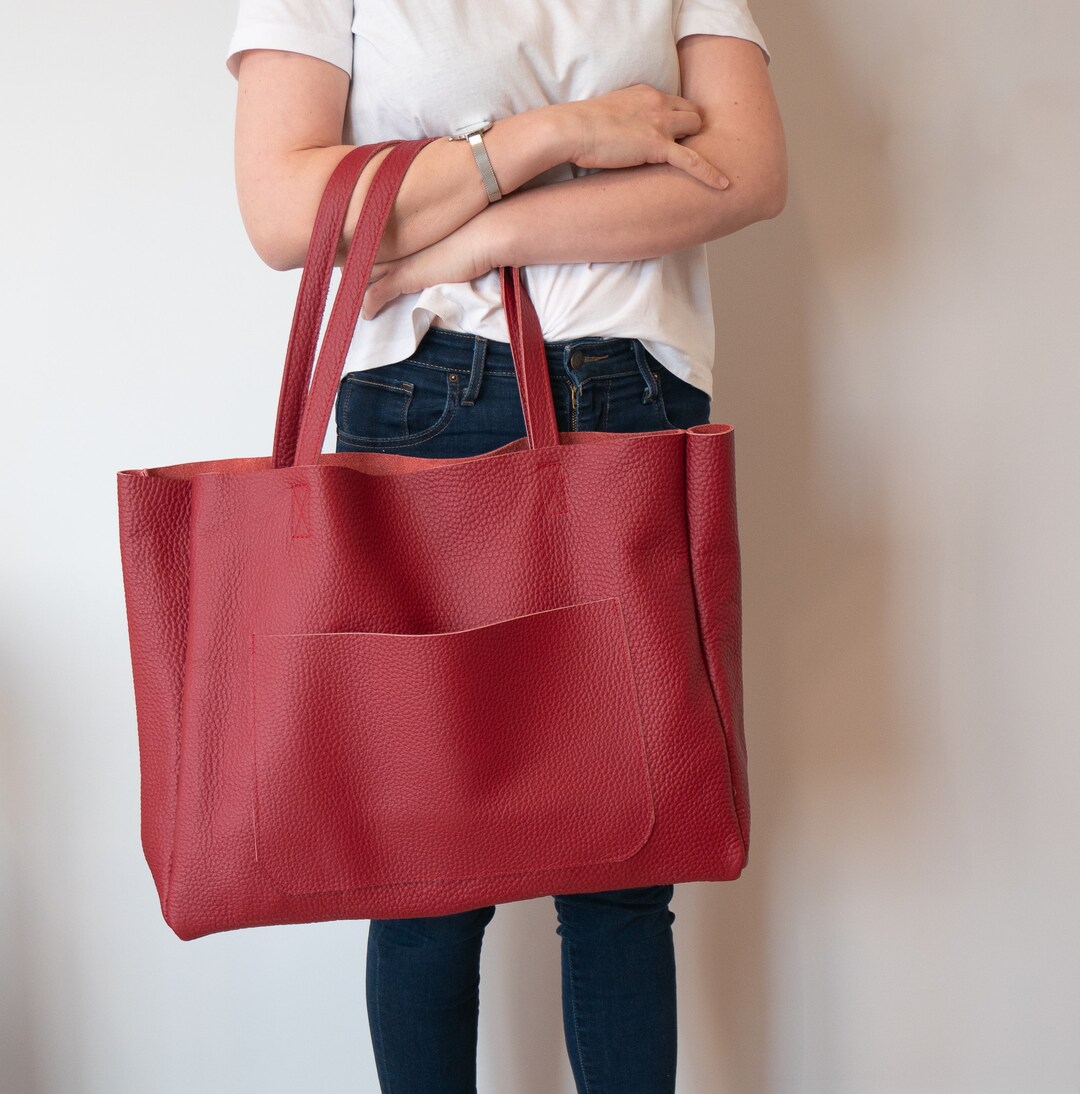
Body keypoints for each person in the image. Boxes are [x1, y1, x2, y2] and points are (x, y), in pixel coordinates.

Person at [226, 1, 786, 1090]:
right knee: (425, 872)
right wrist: (563, 135)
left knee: (630, 866)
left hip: (634, 394)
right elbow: (286, 214)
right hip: (423, 399)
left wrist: (481, 235)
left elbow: (749, 170)